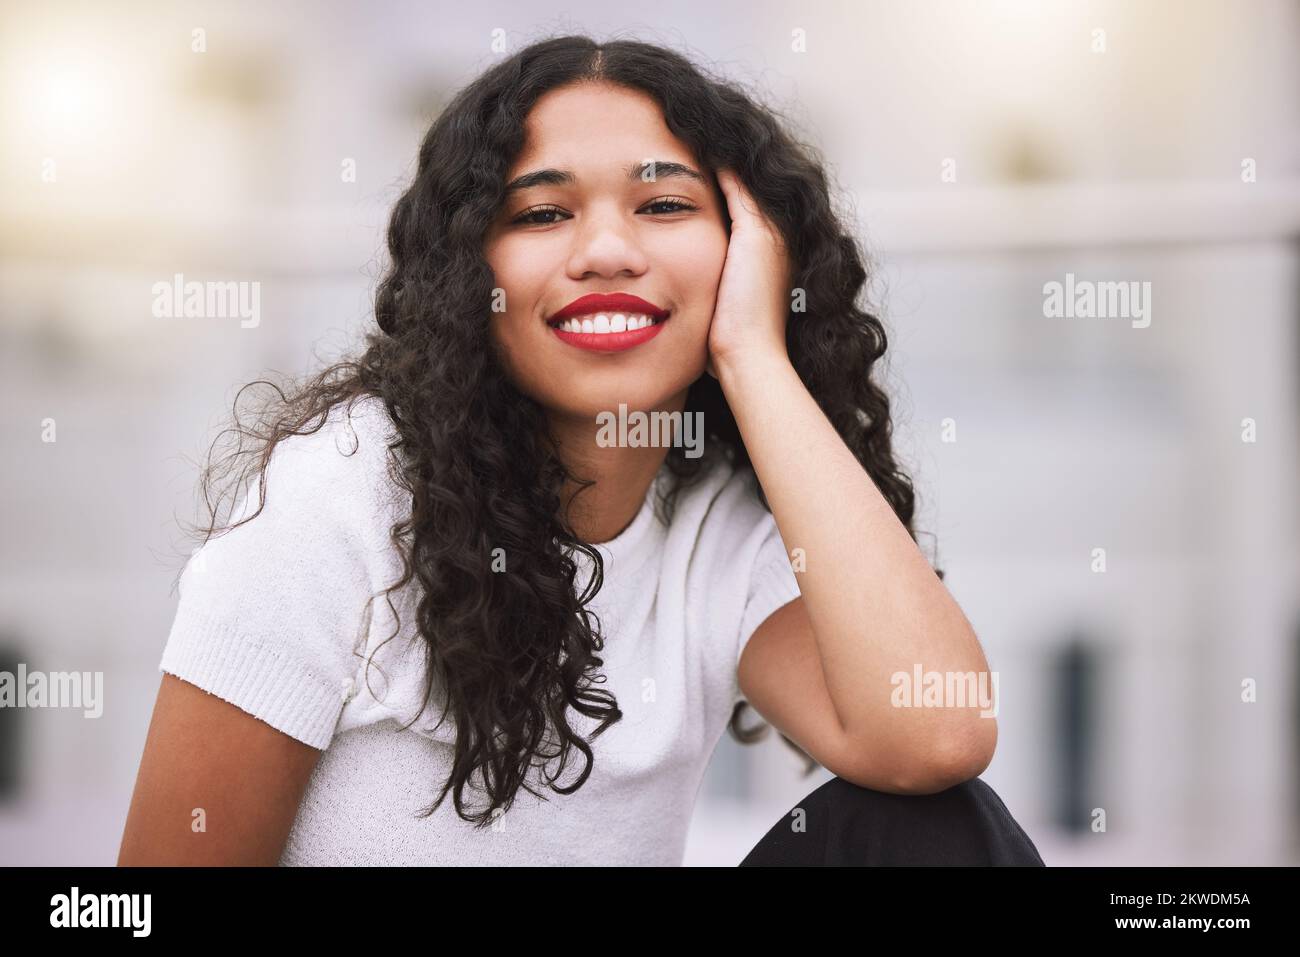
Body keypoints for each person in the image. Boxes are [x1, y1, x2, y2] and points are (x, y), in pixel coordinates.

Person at [118, 34, 1042, 867]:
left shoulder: (715, 523)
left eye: (665, 204)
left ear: (746, 254)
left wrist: (753, 355)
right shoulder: (340, 497)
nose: (606, 249)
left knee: (929, 834)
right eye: (542, 215)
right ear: (466, 274)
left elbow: (937, 734)